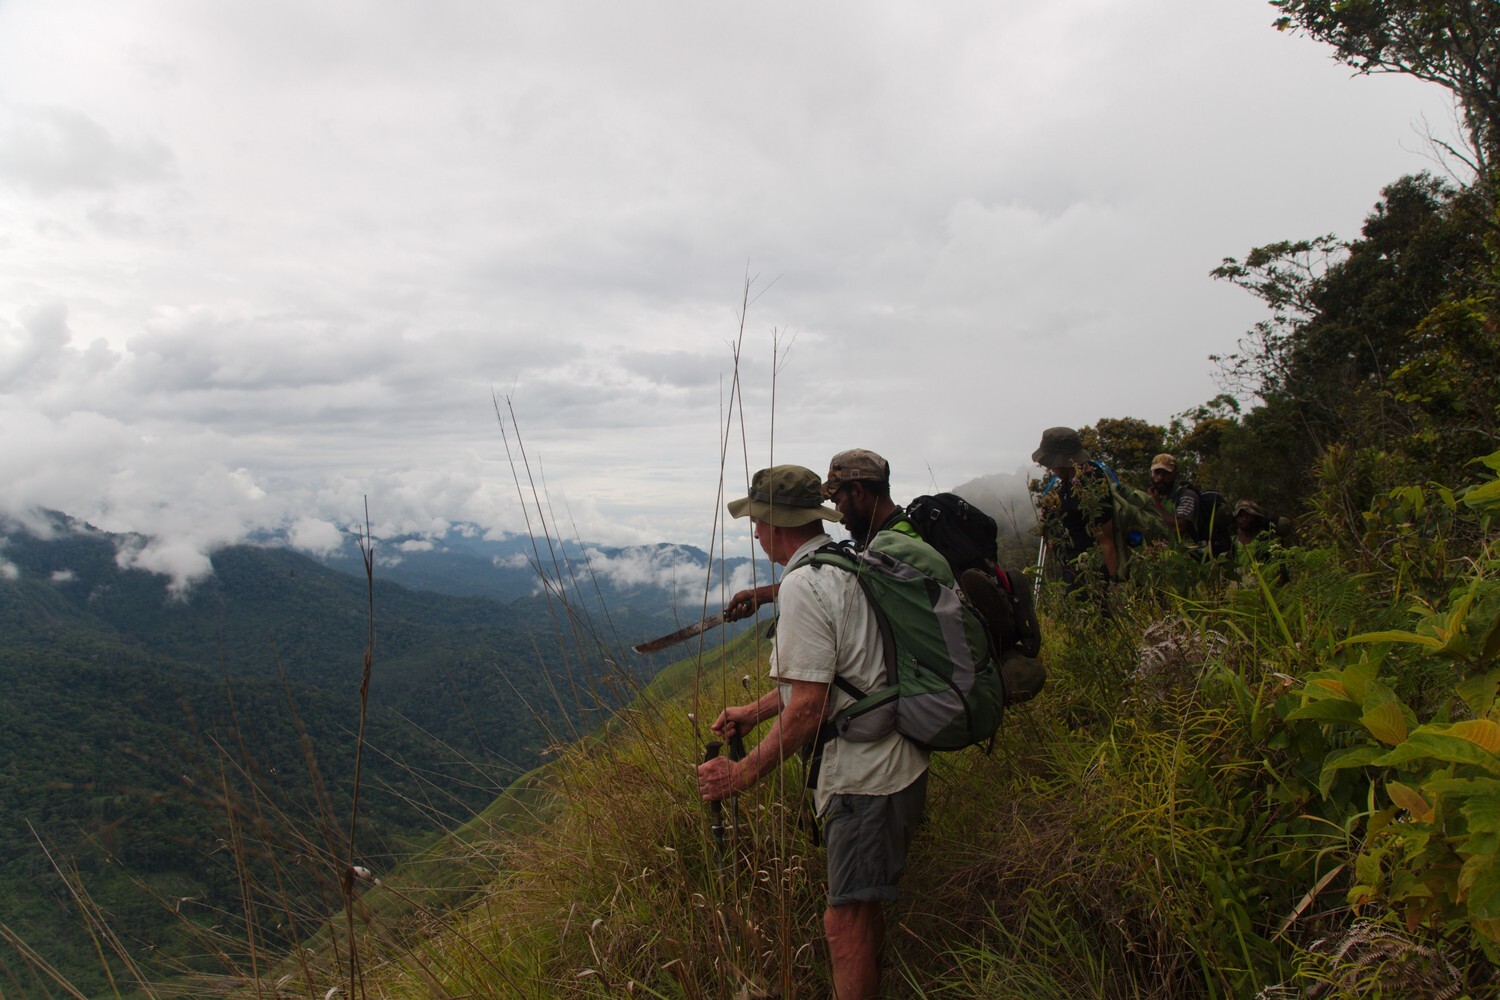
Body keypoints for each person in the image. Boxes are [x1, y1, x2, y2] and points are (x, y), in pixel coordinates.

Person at [697, 464, 929, 1000]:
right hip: (899, 763)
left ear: (777, 523)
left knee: (841, 926)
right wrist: (753, 713)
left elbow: (808, 707)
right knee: (860, 912)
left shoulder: (803, 586)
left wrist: (741, 774)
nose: (754, 532)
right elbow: (838, 674)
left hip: (863, 778)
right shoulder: (845, 561)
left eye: (757, 521)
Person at [1032, 427, 1119, 585]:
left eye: (1051, 463)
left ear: (1062, 460)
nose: (1049, 468)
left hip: (1092, 575)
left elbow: (1105, 539)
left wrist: (1114, 584)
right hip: (1074, 569)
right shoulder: (1069, 481)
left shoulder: (1092, 485)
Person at [1146, 453, 1200, 545]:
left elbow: (1178, 528)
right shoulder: (1151, 496)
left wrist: (1156, 504)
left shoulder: (1187, 495)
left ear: (1175, 474)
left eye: (1166, 473)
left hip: (1187, 554)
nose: (1160, 478)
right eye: (1157, 472)